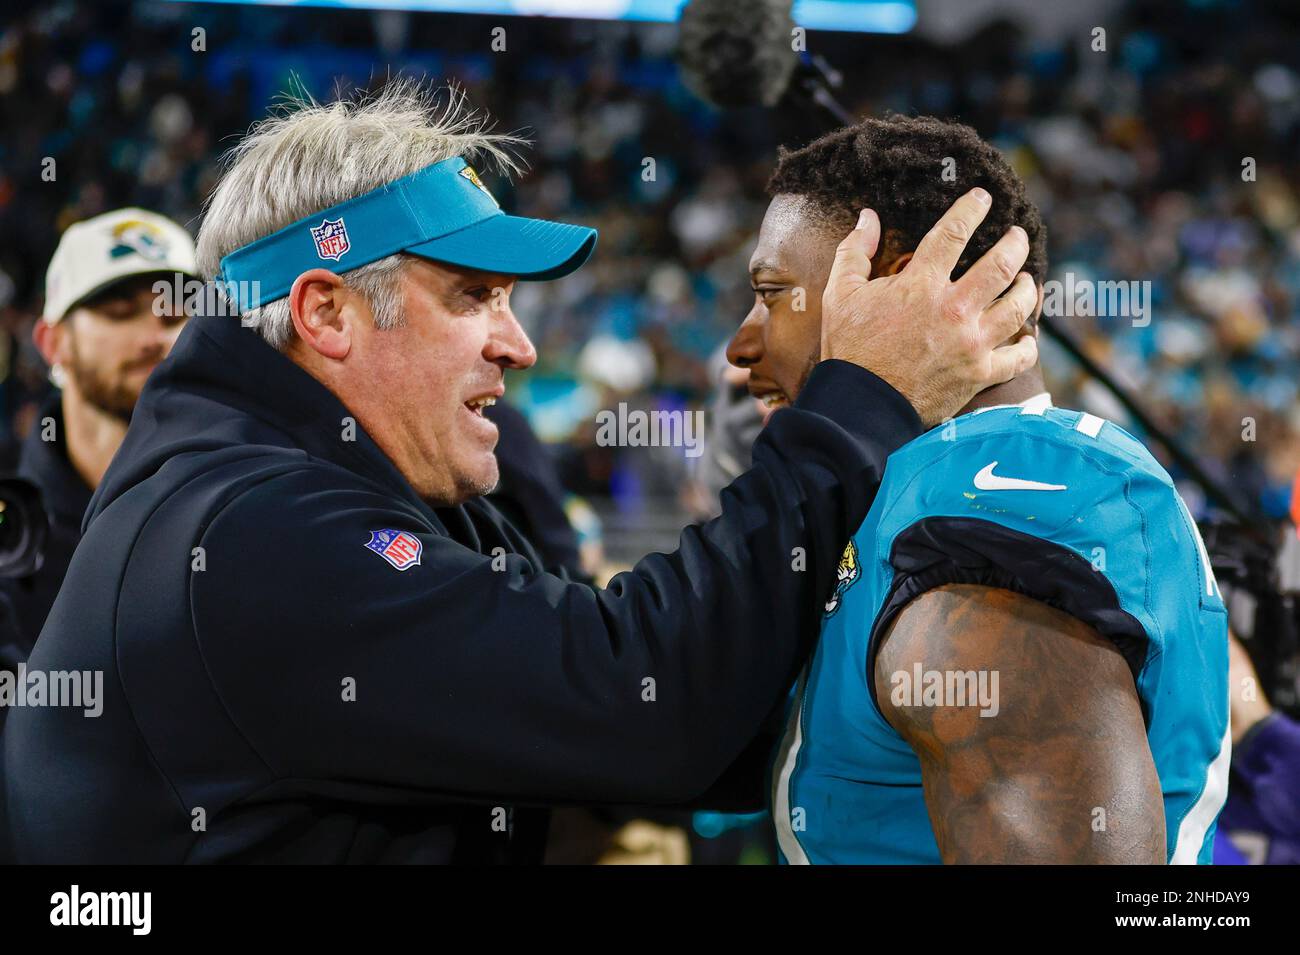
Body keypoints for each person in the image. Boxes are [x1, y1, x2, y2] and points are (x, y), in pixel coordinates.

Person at [3, 85, 1036, 863]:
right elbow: (647, 701)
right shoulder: (246, 533)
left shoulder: (284, 481)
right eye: (473, 295)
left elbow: (643, 714)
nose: (518, 343)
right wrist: (855, 400)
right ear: (325, 313)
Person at [727, 115, 1229, 864]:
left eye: (773, 294)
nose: (742, 344)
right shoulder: (963, 481)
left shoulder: (984, 512)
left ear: (900, 287)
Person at [0, 208, 196, 673]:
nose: (154, 336)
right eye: (118, 311)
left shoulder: (252, 492)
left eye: (174, 313)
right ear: (52, 343)